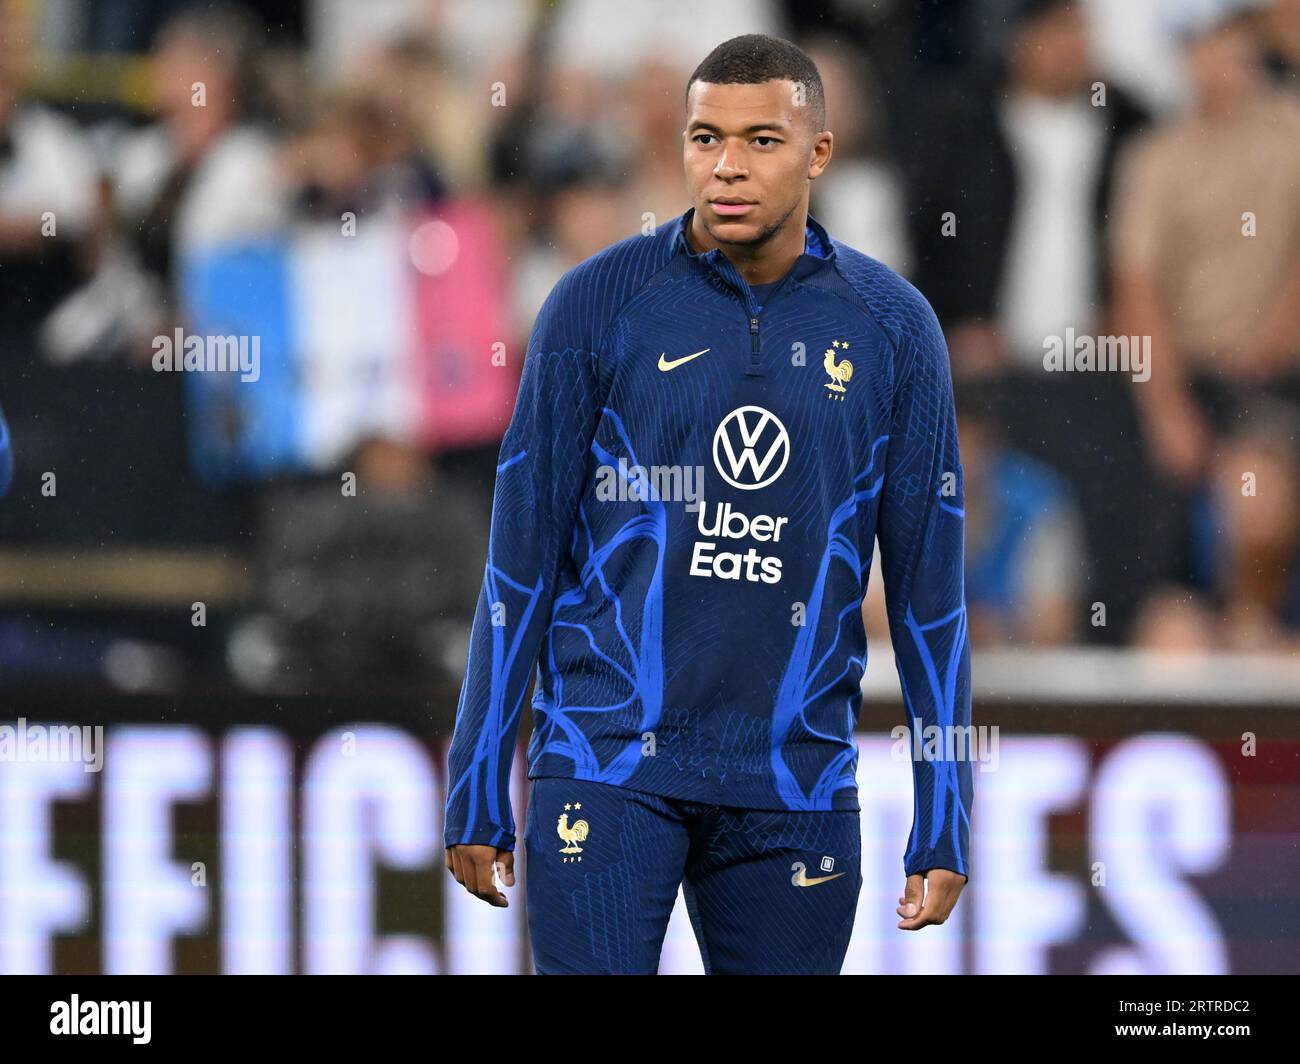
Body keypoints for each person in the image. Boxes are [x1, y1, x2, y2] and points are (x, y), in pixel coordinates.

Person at [444, 34, 971, 975]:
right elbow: (518, 559)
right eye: (705, 138)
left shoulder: (894, 328)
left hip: (794, 781)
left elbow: (931, 593)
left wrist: (948, 805)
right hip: (606, 762)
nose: (727, 166)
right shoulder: (594, 304)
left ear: (818, 152)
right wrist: (478, 770)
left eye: (762, 140)